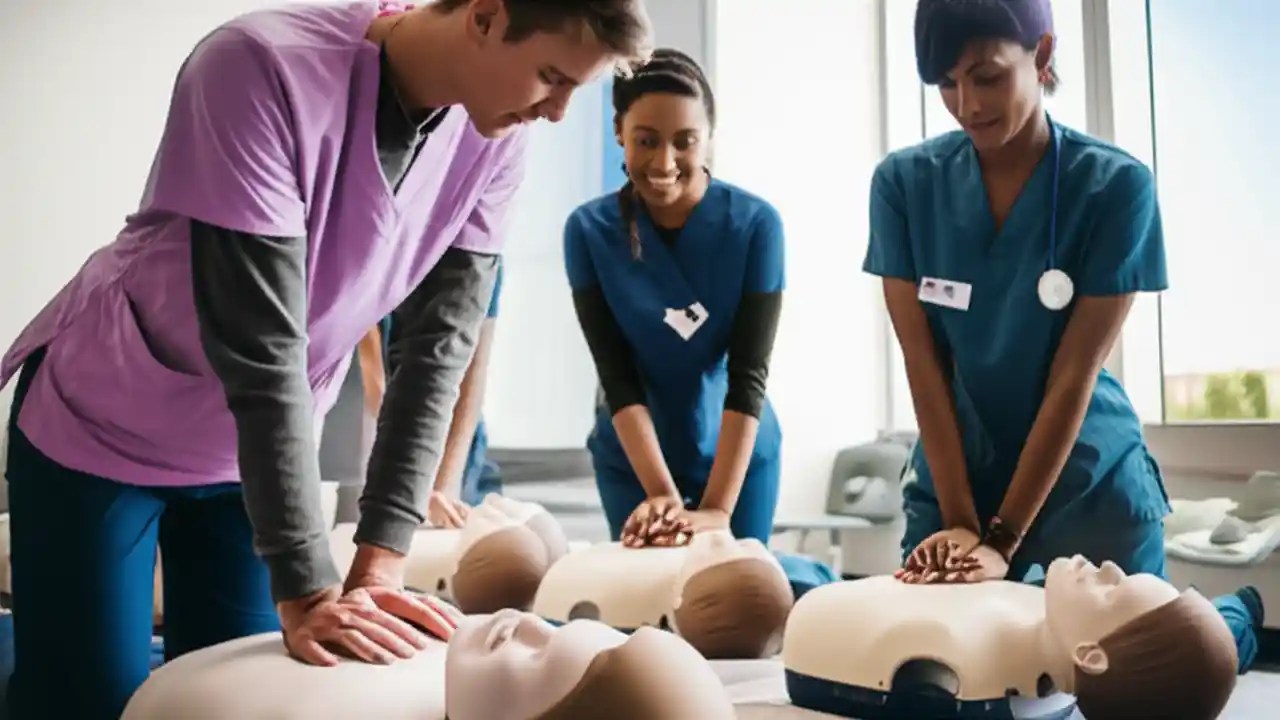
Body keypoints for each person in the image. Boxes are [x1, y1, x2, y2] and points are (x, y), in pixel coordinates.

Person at [0, 0, 651, 717]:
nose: (558, 113)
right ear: (487, 18)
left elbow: (437, 351)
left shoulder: (497, 131)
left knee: (253, 699)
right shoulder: (255, 66)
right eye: (551, 78)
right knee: (88, 700)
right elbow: (264, 349)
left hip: (244, 461)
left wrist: (381, 560)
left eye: (573, 90)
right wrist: (309, 586)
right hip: (107, 424)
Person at [865, 0, 1262, 671]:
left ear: (1042, 56)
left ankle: (1233, 618)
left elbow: (1072, 376)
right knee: (937, 666)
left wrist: (1003, 535)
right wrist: (961, 523)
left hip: (1084, 479)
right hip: (958, 468)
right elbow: (922, 363)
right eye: (946, 84)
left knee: (1138, 669)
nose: (967, 104)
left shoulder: (1116, 187)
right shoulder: (904, 184)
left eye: (987, 76)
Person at [564, 48, 786, 549]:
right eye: (646, 141)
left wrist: (717, 511)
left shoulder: (756, 226)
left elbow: (749, 375)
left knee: (738, 598)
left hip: (735, 457)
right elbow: (615, 376)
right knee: (644, 604)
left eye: (685, 142)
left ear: (709, 137)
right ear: (618, 131)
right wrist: (662, 497)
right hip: (634, 455)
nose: (664, 163)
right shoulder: (588, 232)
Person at [372, 260, 506, 529]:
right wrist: (405, 477)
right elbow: (374, 375)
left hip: (453, 436)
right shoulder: (380, 255)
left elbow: (473, 374)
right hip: (392, 427)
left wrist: (444, 486)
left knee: (456, 542)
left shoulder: (479, 252)